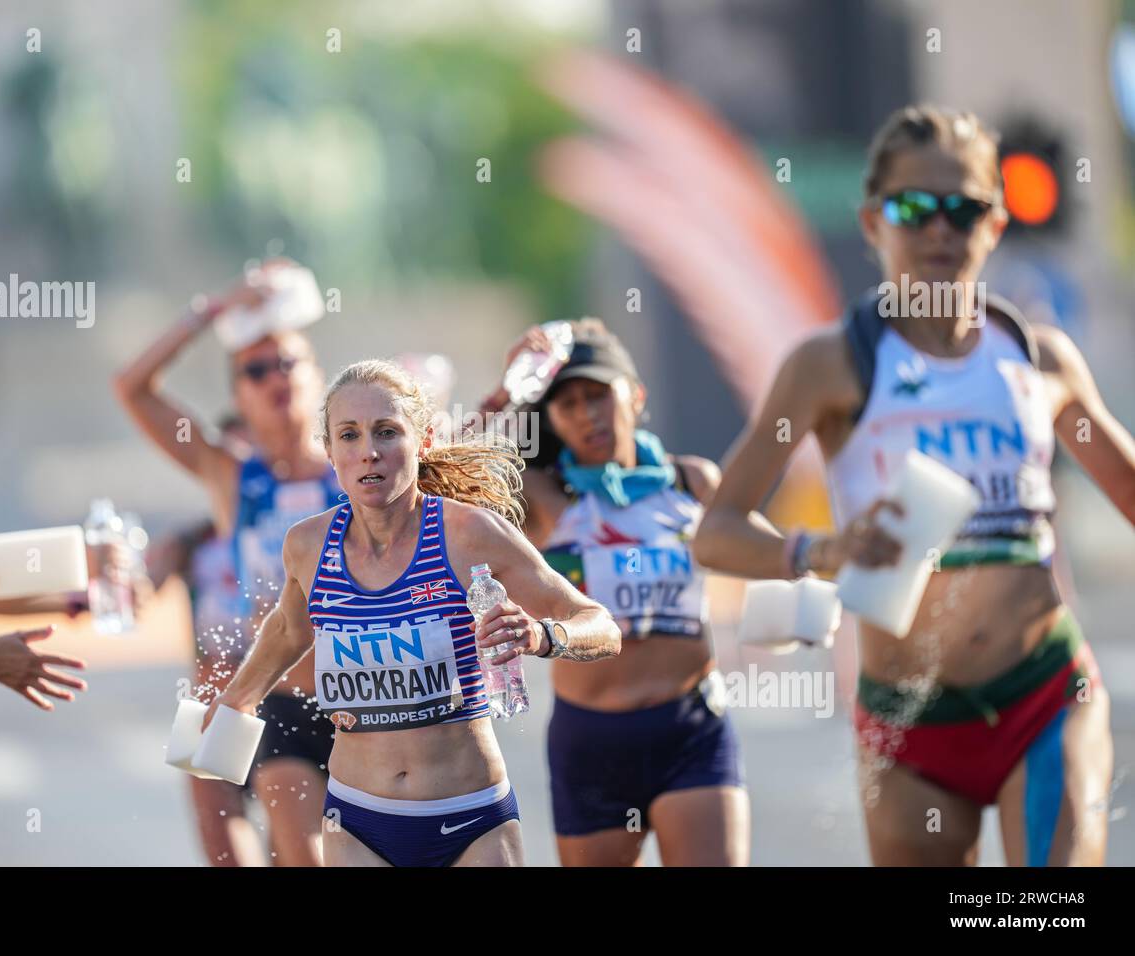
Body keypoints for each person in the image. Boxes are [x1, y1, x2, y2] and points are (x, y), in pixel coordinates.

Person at [692, 105, 1135, 866]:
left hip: (1044, 695)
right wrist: (824, 549)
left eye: (964, 210)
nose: (940, 229)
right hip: (908, 726)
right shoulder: (829, 366)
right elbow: (717, 531)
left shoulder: (1041, 362)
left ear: (995, 224)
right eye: (914, 209)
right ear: (873, 223)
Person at [205, 359, 622, 866]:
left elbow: (599, 623)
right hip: (358, 821)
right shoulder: (308, 546)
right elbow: (291, 629)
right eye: (350, 436)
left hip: (472, 819)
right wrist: (237, 700)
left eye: (387, 432)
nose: (369, 452)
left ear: (422, 442)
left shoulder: (471, 535)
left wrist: (543, 635)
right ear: (330, 451)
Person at [480, 318, 751, 866]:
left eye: (598, 395)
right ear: (550, 416)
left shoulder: (692, 482)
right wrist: (506, 393)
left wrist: (816, 560)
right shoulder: (541, 493)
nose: (585, 415)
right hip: (591, 740)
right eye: (567, 403)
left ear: (635, 394)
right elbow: (440, 476)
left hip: (689, 728)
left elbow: (757, 547)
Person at [114, 261, 343, 866]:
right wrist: (214, 309)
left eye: (290, 361)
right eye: (256, 369)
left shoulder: (364, 465)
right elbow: (132, 388)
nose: (277, 377)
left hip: (371, 700)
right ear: (238, 394)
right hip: (268, 700)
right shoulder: (229, 478)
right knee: (250, 850)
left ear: (319, 374)